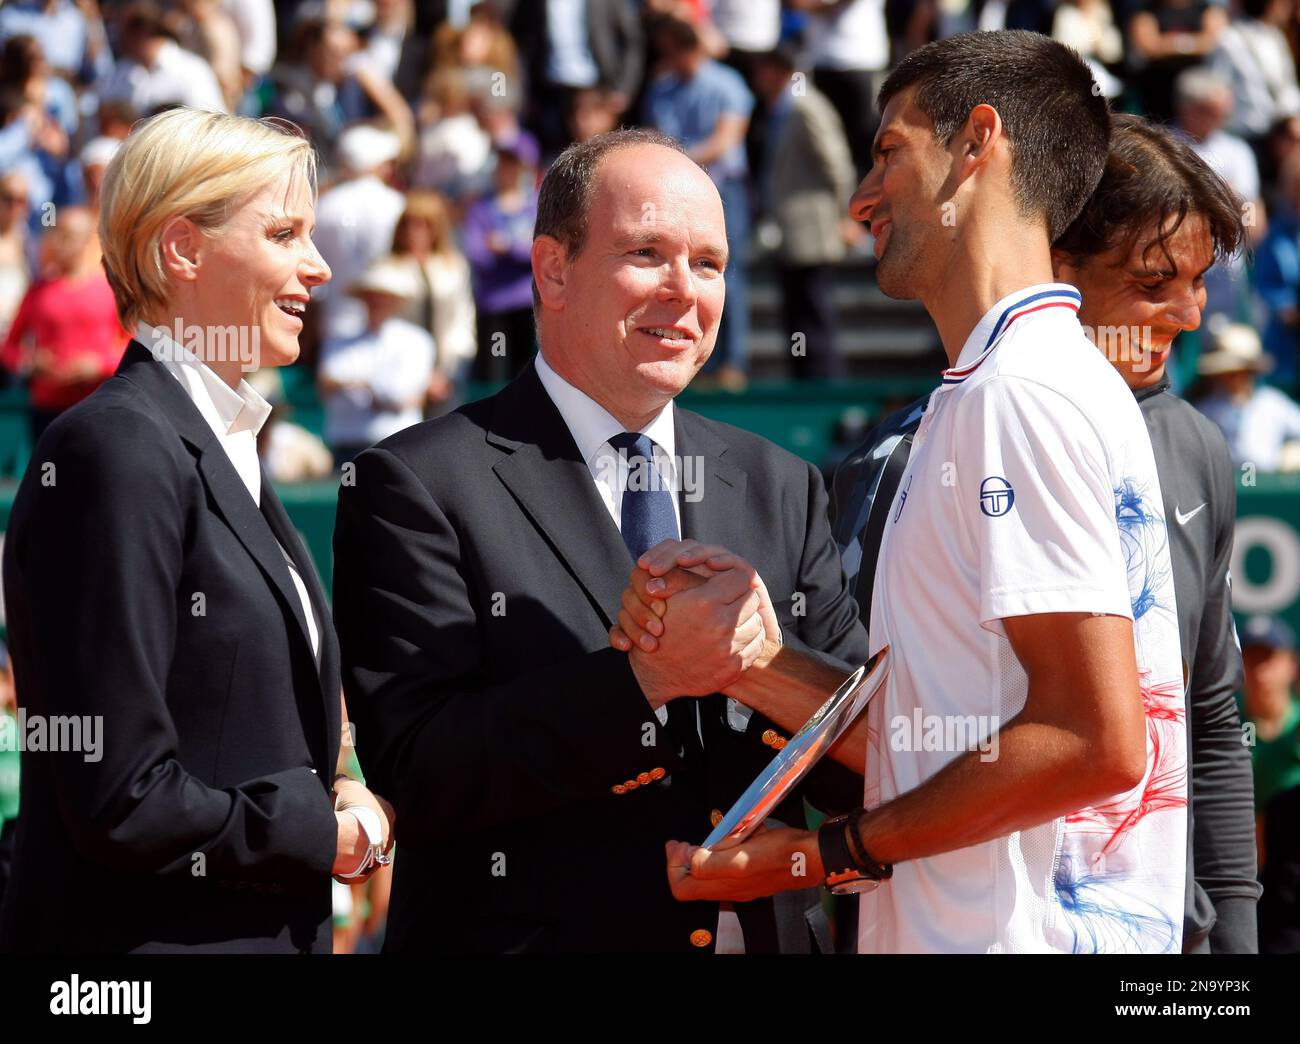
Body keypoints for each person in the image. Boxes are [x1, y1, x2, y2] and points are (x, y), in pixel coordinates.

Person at [626, 30, 1188, 954]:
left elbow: (1094, 740)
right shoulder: (1002, 387)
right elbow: (945, 728)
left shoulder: (1019, 393)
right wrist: (750, 656)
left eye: (889, 150)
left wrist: (815, 855)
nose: (860, 197)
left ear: (977, 142)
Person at [331, 127, 868, 954]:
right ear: (551, 268)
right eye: (647, 253)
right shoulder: (418, 484)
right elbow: (423, 774)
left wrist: (764, 669)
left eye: (710, 264)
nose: (683, 292)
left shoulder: (781, 483)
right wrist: (645, 678)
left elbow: (859, 773)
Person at [0, 108, 392, 954]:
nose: (318, 268)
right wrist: (324, 832)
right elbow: (122, 797)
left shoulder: (217, 444)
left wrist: (346, 785)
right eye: (284, 233)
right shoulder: (117, 450)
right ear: (183, 248)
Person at [1052, 112, 1259, 952]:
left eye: (1201, 279)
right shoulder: (933, 448)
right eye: (1152, 283)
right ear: (1055, 269)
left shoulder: (1198, 446)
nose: (1189, 315)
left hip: (1175, 944)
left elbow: (1210, 718)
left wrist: (1235, 935)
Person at [643, 14, 754, 387]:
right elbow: (659, 139)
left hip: (725, 190)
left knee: (724, 274)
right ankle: (700, 361)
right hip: (675, 194)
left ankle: (732, 362)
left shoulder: (727, 83)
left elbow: (726, 140)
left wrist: (681, 163)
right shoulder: (663, 89)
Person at [752, 45, 860, 380]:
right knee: (797, 316)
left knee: (815, 315)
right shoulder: (784, 108)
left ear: (775, 71)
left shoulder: (805, 106)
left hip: (813, 228)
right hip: (791, 230)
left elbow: (837, 165)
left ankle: (824, 386)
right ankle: (806, 381)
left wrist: (846, 215)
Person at [0, 205, 128, 442]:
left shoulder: (109, 291)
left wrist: (100, 365)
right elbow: (9, 348)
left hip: (98, 402)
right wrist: (30, 363)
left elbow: (130, 344)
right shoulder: (38, 291)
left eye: (67, 236)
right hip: (47, 407)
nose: (59, 242)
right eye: (57, 234)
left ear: (85, 240)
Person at [318, 256, 436, 465]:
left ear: (396, 301)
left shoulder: (416, 341)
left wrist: (361, 385)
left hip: (398, 445)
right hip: (347, 446)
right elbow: (326, 384)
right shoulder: (338, 341)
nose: (377, 302)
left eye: (384, 297)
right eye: (372, 296)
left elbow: (400, 395)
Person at [1195, 321, 1300, 469]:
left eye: (1239, 372)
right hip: (1229, 485)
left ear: (1250, 372)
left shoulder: (1271, 402)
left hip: (1267, 484)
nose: (1232, 378)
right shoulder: (1207, 409)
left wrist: (1290, 456)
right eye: (1227, 373)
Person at [1238, 615, 1300, 812]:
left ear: (1292, 664)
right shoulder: (1225, 728)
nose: (1260, 670)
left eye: (1268, 657)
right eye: (1251, 658)